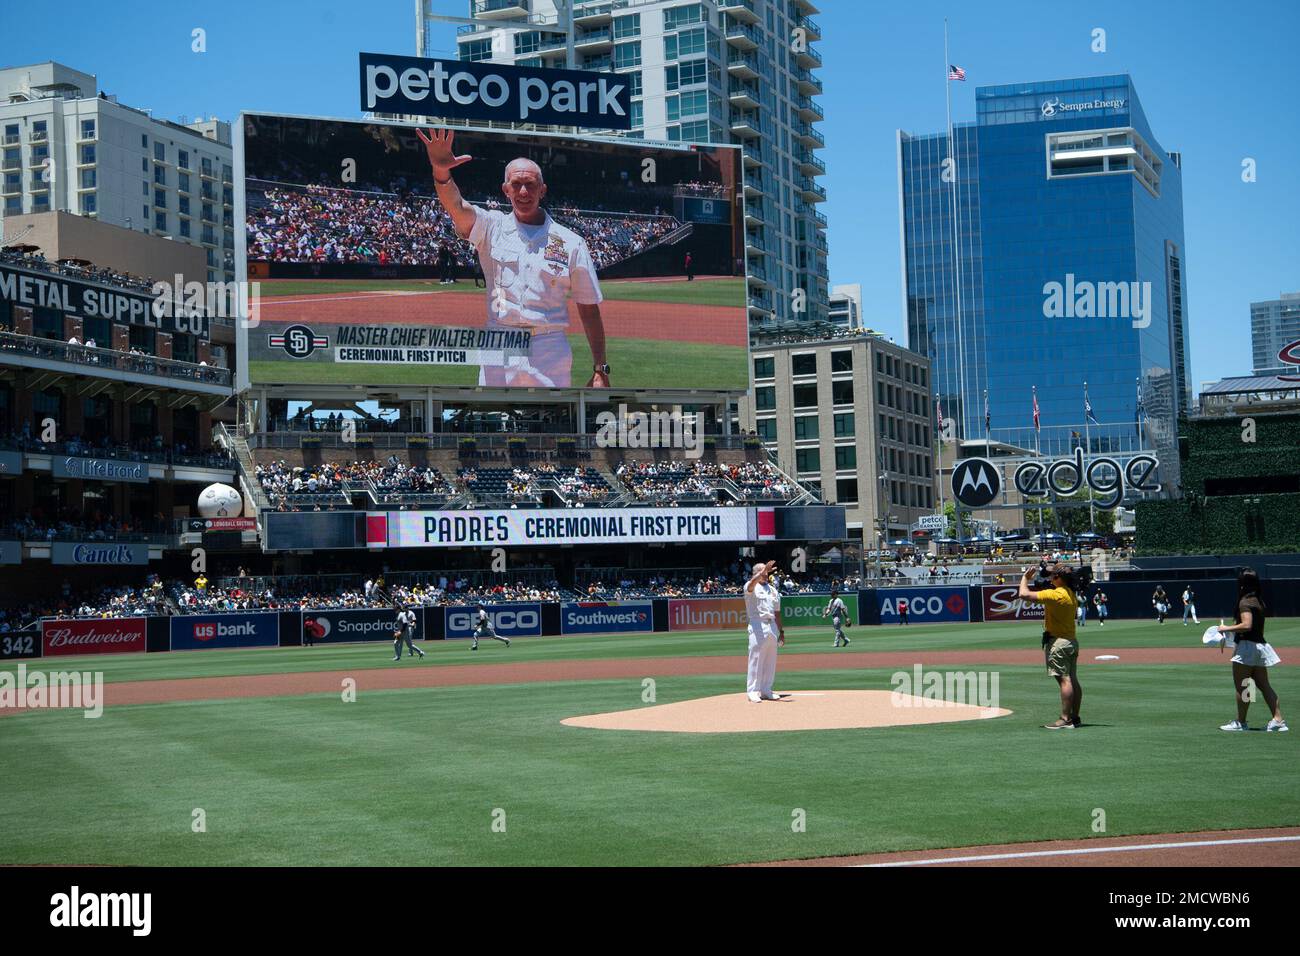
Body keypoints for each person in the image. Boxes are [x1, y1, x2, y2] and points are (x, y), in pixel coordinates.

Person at [418, 128, 610, 389]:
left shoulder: (571, 242)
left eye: (530, 185)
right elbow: (457, 208)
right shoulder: (491, 227)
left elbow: (588, 307)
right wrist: (441, 172)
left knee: (550, 422)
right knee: (493, 421)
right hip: (500, 341)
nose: (523, 192)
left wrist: (600, 368)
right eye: (516, 185)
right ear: (505, 190)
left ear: (542, 190)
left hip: (548, 347)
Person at [1214, 568, 1286, 732]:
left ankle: (1241, 722)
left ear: (1242, 584)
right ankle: (1278, 720)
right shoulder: (1258, 600)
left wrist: (1226, 628)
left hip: (1247, 648)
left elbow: (1247, 625)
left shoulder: (1245, 601)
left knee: (1244, 686)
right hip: (1260, 647)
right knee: (1263, 685)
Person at [1018, 563, 1086, 729]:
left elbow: (1023, 594)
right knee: (1073, 680)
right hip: (1071, 641)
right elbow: (1053, 575)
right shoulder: (1070, 593)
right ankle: (1074, 717)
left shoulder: (1056, 595)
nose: (1050, 577)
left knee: (1064, 680)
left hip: (1058, 643)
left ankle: (1065, 719)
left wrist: (1025, 578)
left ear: (1059, 578)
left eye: (1053, 575)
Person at [743, 560, 784, 702]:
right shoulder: (751, 586)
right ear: (756, 573)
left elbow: (777, 612)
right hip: (757, 625)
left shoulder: (773, 590)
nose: (766, 573)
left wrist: (781, 632)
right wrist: (762, 571)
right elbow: (750, 586)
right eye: (763, 571)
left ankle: (766, 689)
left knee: (770, 659)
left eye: (767, 571)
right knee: (756, 658)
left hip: (771, 625)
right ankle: (753, 691)